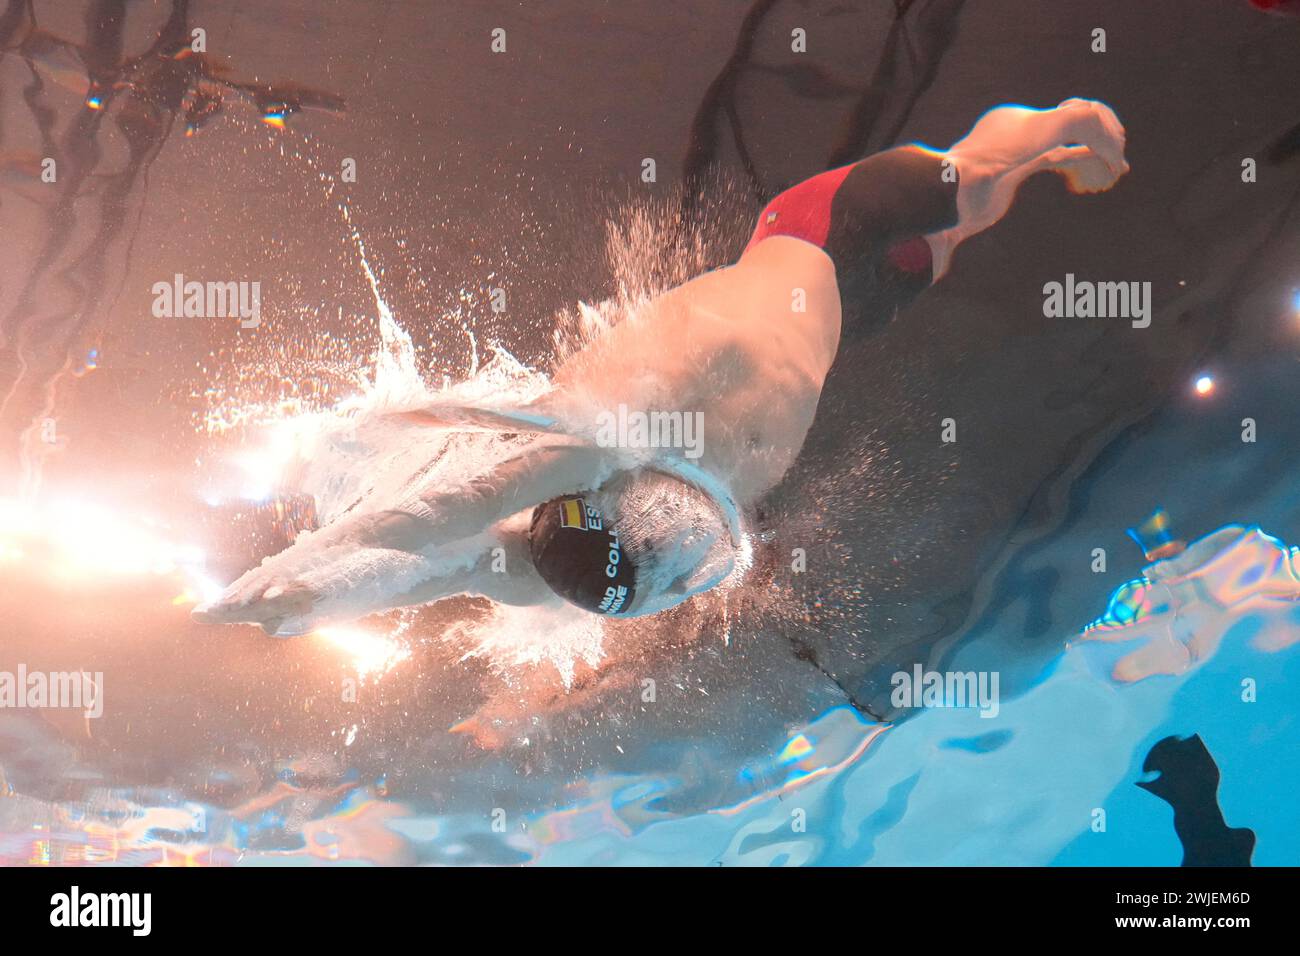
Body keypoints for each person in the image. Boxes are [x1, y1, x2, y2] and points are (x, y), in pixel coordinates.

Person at [193, 99, 1129, 636]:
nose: (692, 565)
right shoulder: (602, 558)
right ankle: (1035, 166)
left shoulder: (609, 431)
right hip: (853, 317)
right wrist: (325, 601)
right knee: (955, 241)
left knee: (968, 184)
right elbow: (447, 571)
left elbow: (445, 515)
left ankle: (1065, 121)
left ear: (610, 503)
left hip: (819, 232)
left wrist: (289, 584)